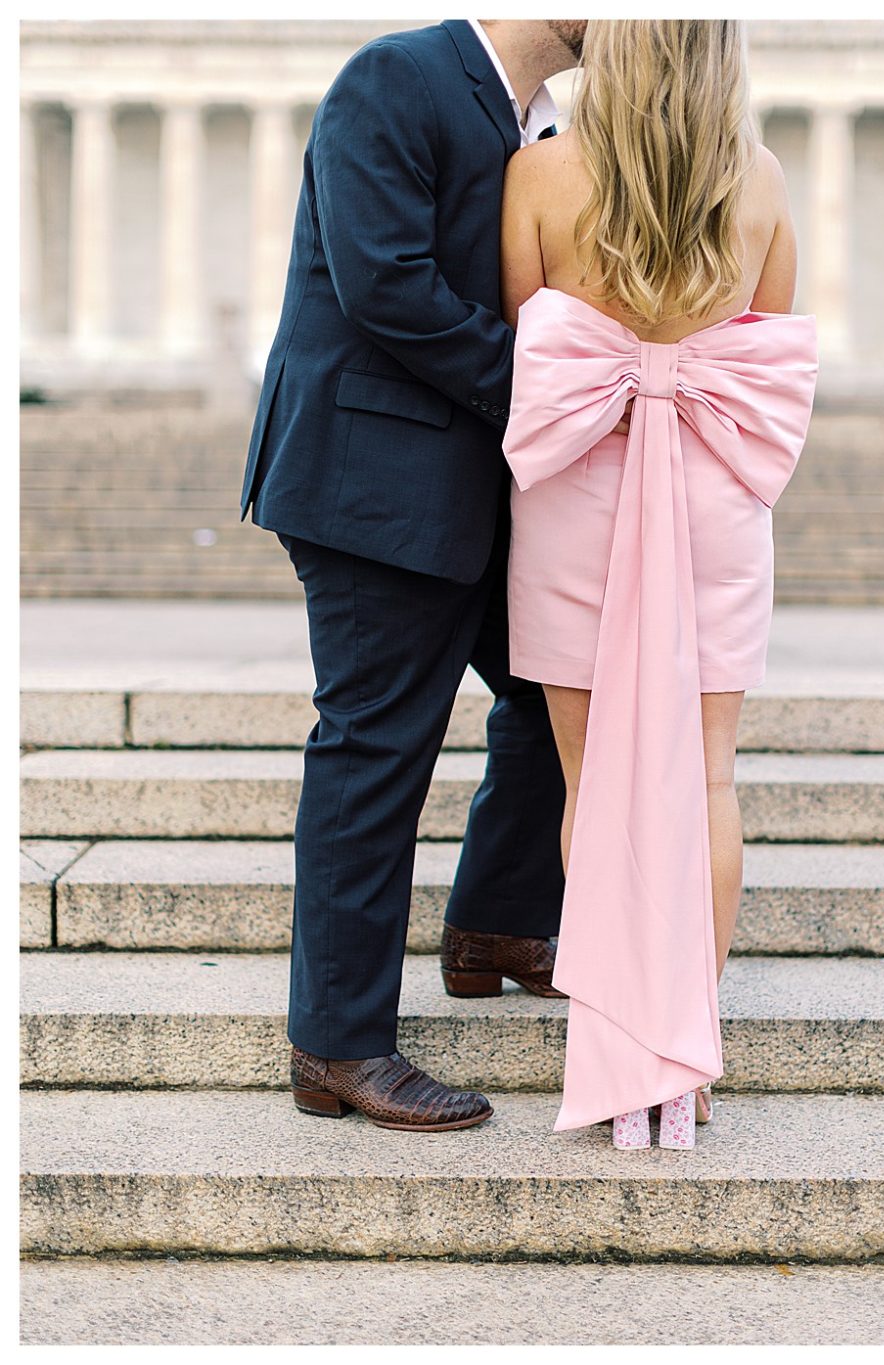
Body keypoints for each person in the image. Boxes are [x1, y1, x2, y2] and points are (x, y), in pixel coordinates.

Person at [241, 20, 589, 1132]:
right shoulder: (395, 79)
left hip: (470, 484)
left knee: (552, 687)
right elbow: (383, 284)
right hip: (371, 481)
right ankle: (337, 1046)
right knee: (376, 746)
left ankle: (495, 921)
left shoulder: (536, 122)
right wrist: (557, 390)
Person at [496, 19, 817, 1150]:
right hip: (712, 491)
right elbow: (765, 335)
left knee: (594, 790)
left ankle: (624, 1048)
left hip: (581, 484)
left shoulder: (539, 173)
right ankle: (684, 1057)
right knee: (710, 782)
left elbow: (521, 328)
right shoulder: (763, 180)